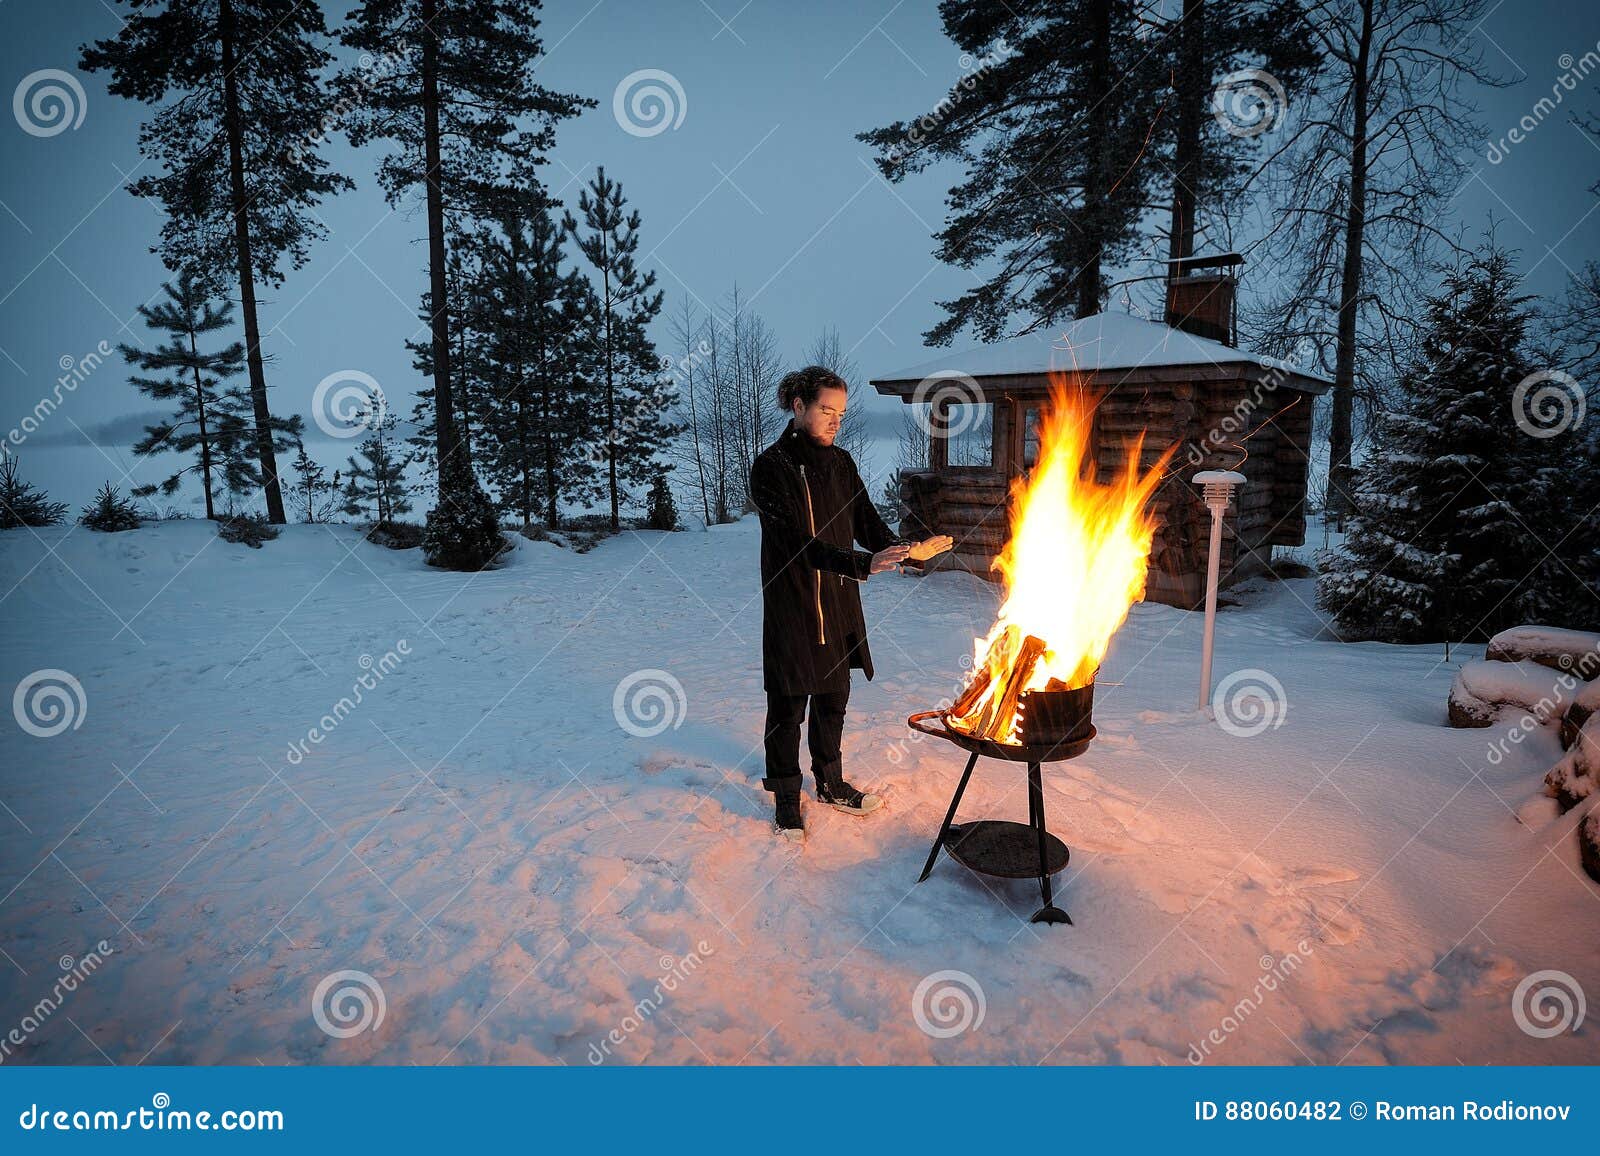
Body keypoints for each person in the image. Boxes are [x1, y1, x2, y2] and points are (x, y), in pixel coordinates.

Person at [748, 366, 952, 843]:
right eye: (826, 410)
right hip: (794, 606)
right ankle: (785, 800)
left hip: (838, 603)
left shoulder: (841, 463)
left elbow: (868, 523)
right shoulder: (770, 467)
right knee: (788, 706)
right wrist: (863, 564)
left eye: (840, 412)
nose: (835, 421)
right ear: (798, 407)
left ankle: (831, 784)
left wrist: (905, 550)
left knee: (834, 700)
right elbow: (796, 544)